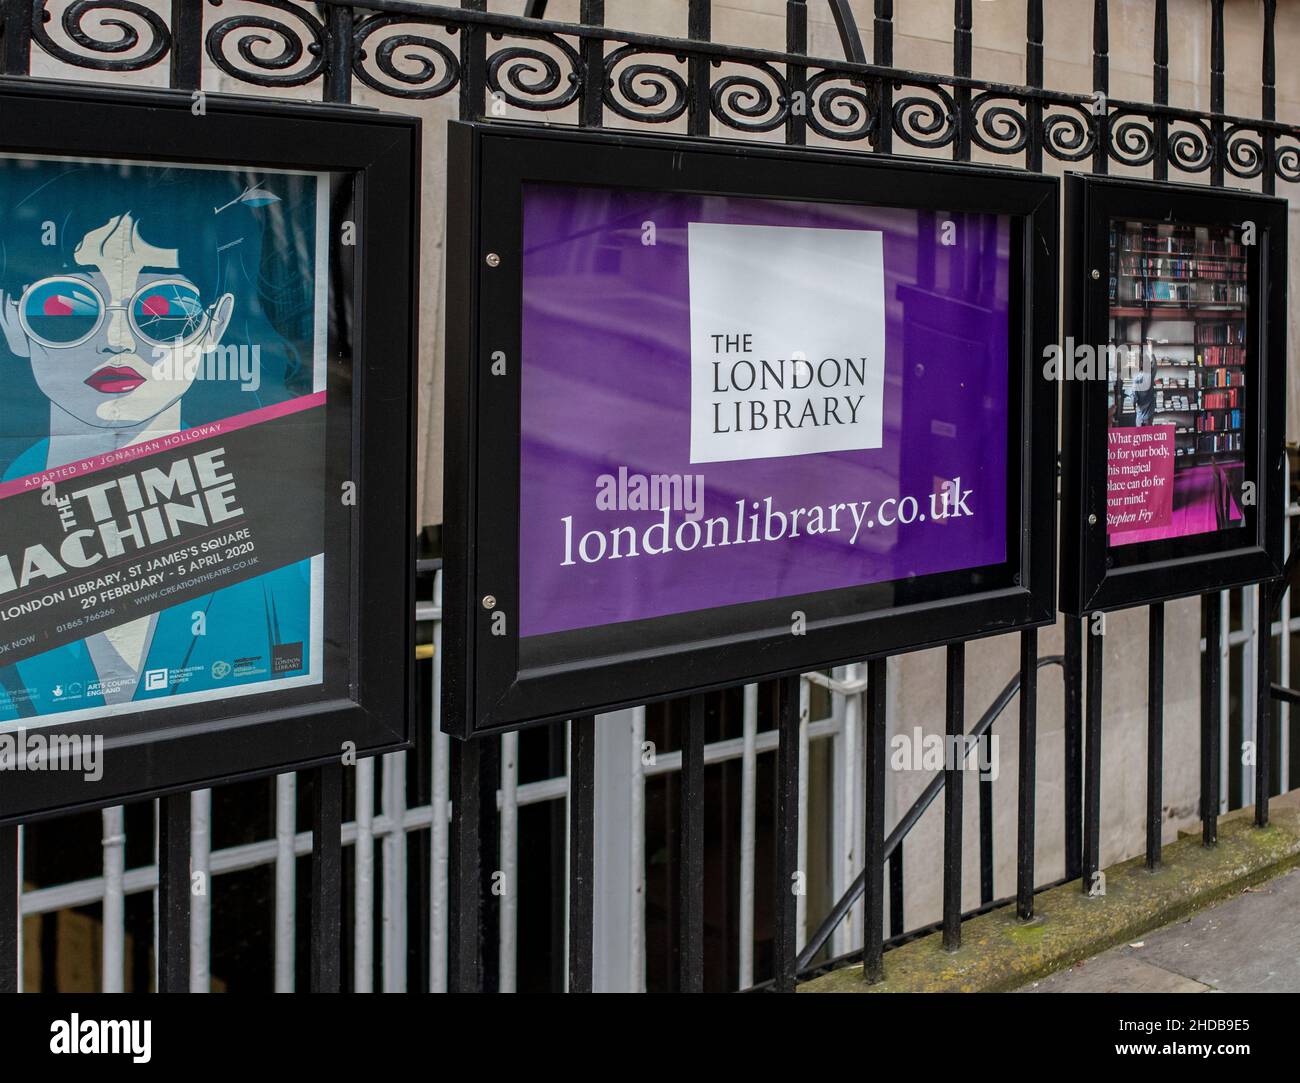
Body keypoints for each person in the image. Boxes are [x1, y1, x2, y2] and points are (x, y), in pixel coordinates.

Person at [0, 162, 319, 722]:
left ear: (214, 326)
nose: (117, 341)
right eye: (67, 308)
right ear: (12, 320)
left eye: (166, 311)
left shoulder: (277, 522)